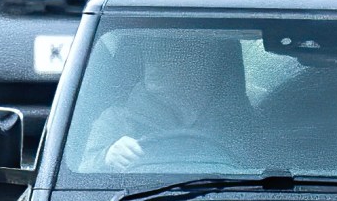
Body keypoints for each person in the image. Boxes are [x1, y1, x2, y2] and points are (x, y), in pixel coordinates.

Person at [79, 35, 251, 173]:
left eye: (165, 58)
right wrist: (107, 156)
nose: (153, 65)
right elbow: (82, 172)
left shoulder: (237, 119)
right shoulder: (116, 118)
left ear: (192, 65)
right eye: (149, 57)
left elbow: (264, 169)